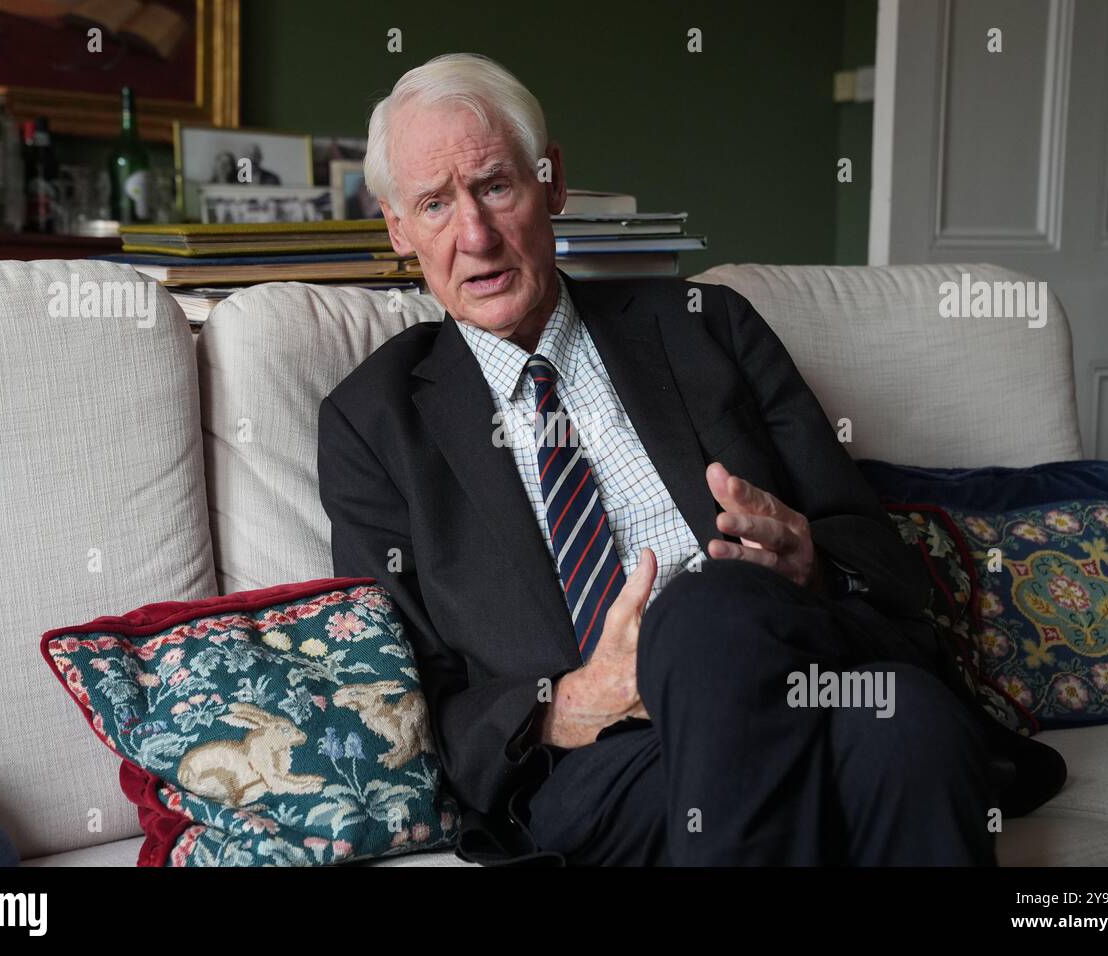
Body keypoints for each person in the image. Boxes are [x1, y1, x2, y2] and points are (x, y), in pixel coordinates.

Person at [317, 52, 1066, 866]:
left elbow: (879, 559)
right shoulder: (375, 422)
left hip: (803, 676)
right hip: (601, 762)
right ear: (397, 228)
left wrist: (811, 565)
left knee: (876, 704)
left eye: (497, 186)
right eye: (435, 204)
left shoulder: (707, 327)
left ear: (552, 180)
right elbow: (399, 696)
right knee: (902, 729)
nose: (475, 234)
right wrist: (566, 703)